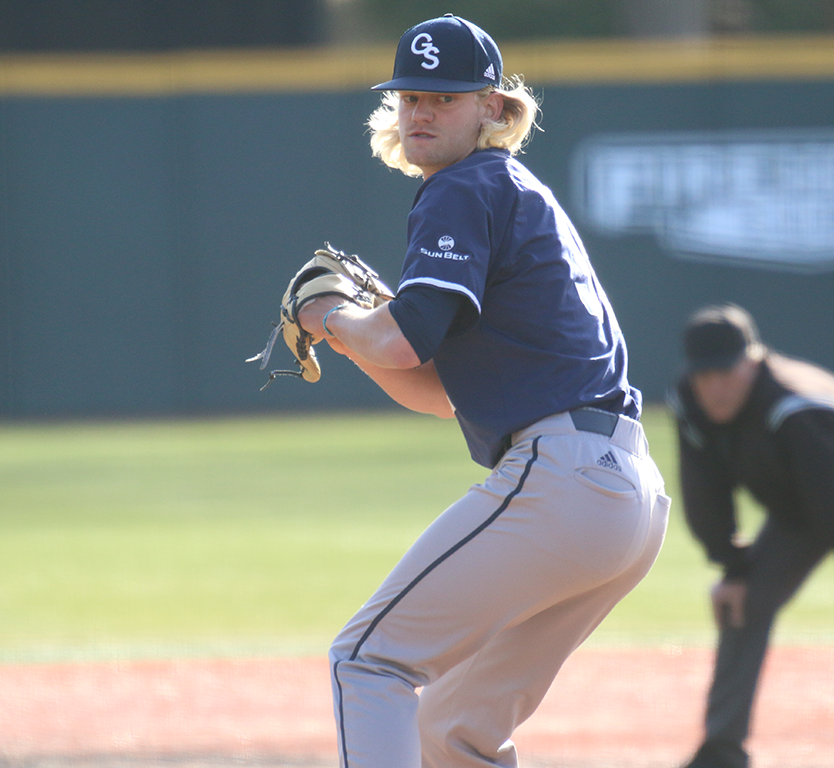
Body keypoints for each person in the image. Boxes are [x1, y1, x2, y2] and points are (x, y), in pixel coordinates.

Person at [296, 15, 671, 768]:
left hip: (563, 479)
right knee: (453, 732)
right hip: (625, 501)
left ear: (492, 109)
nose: (421, 111)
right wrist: (353, 335)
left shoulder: (464, 186)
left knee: (367, 662)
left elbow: (400, 339)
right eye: (409, 96)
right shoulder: (508, 189)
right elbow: (438, 392)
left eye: (444, 96)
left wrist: (328, 317)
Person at [668, 303, 834, 768]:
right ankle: (722, 751)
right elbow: (703, 489)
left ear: (752, 360)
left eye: (725, 372)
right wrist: (732, 566)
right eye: (703, 375)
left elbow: (831, 492)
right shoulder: (691, 405)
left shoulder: (795, 405)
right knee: (742, 602)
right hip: (800, 504)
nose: (713, 386)